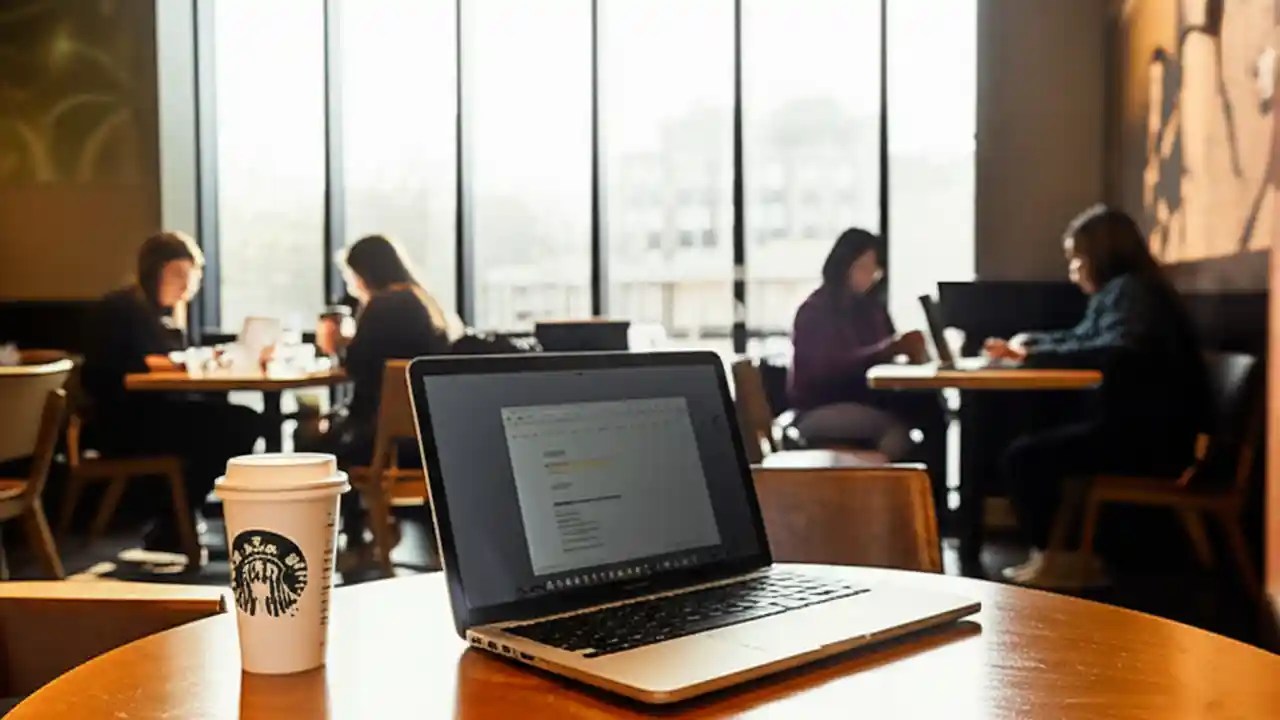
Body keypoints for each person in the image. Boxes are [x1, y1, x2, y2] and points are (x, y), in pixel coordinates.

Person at [986, 205, 1209, 586]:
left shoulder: (1132, 291)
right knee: (1034, 446)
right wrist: (1030, 345)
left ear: (1101, 255)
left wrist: (1032, 354)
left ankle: (1062, 560)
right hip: (1151, 429)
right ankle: (1056, 556)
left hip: (1153, 440)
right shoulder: (1125, 290)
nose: (1073, 268)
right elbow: (1083, 338)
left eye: (1078, 257)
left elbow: (1114, 348)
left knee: (1025, 458)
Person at [82, 231, 260, 553]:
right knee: (238, 424)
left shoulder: (168, 316)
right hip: (124, 422)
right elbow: (120, 370)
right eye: (178, 274)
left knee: (238, 420)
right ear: (153, 272)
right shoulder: (121, 309)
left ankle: (176, 517)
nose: (186, 284)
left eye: (192, 275)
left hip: (157, 412)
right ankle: (175, 517)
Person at [305, 235, 452, 549]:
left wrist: (337, 344)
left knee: (310, 439)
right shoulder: (424, 302)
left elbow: (357, 366)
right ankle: (371, 531)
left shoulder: (382, 306)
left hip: (383, 444)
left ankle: (344, 538)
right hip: (427, 436)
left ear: (365, 272)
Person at [787, 228, 930, 460]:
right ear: (842, 265)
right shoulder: (815, 310)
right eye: (863, 267)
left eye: (874, 270)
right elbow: (829, 368)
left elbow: (883, 352)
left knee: (927, 412)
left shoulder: (870, 309)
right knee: (898, 429)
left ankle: (932, 482)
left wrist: (909, 353)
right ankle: (877, 479)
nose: (870, 276)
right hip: (820, 407)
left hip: (863, 400)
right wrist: (890, 348)